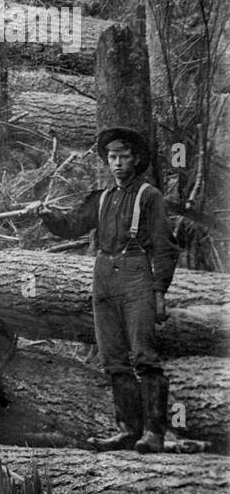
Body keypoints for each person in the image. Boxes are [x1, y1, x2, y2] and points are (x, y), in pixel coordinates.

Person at [31, 126, 195, 454]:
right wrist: (50, 217)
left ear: (136, 160)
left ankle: (154, 432)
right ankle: (128, 430)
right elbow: (72, 225)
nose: (117, 163)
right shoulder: (102, 198)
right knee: (114, 359)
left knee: (144, 356)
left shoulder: (150, 197)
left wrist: (159, 291)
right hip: (102, 275)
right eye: (112, 157)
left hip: (136, 276)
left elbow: (165, 247)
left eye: (123, 157)